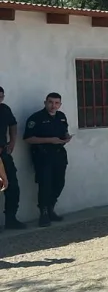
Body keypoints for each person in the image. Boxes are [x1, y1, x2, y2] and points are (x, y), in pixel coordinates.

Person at [23, 92, 72, 227]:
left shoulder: (61, 117)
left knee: (59, 183)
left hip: (59, 155)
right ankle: (43, 213)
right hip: (43, 156)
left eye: (56, 103)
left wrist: (66, 137)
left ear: (60, 105)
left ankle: (51, 208)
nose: (53, 106)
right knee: (45, 185)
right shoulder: (36, 118)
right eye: (50, 102)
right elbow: (28, 138)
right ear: (45, 102)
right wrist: (50, 140)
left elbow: (64, 131)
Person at [0, 86, 25, 230]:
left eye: (1, 97)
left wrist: (13, 141)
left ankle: (11, 219)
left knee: (12, 187)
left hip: (4, 154)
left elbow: (13, 124)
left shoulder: (4, 109)